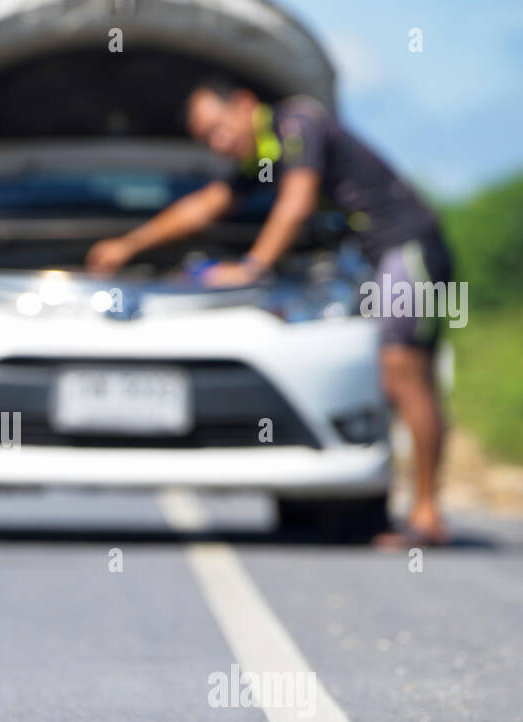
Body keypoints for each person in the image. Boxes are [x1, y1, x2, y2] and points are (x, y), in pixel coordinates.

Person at [86, 78, 453, 547]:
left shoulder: (299, 122)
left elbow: (296, 203)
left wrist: (252, 267)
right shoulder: (261, 156)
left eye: (219, 128)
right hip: (381, 256)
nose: (219, 144)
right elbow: (205, 206)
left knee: (404, 371)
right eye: (207, 140)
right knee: (394, 373)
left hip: (408, 248)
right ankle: (419, 506)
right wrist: (127, 245)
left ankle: (428, 514)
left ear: (244, 104)